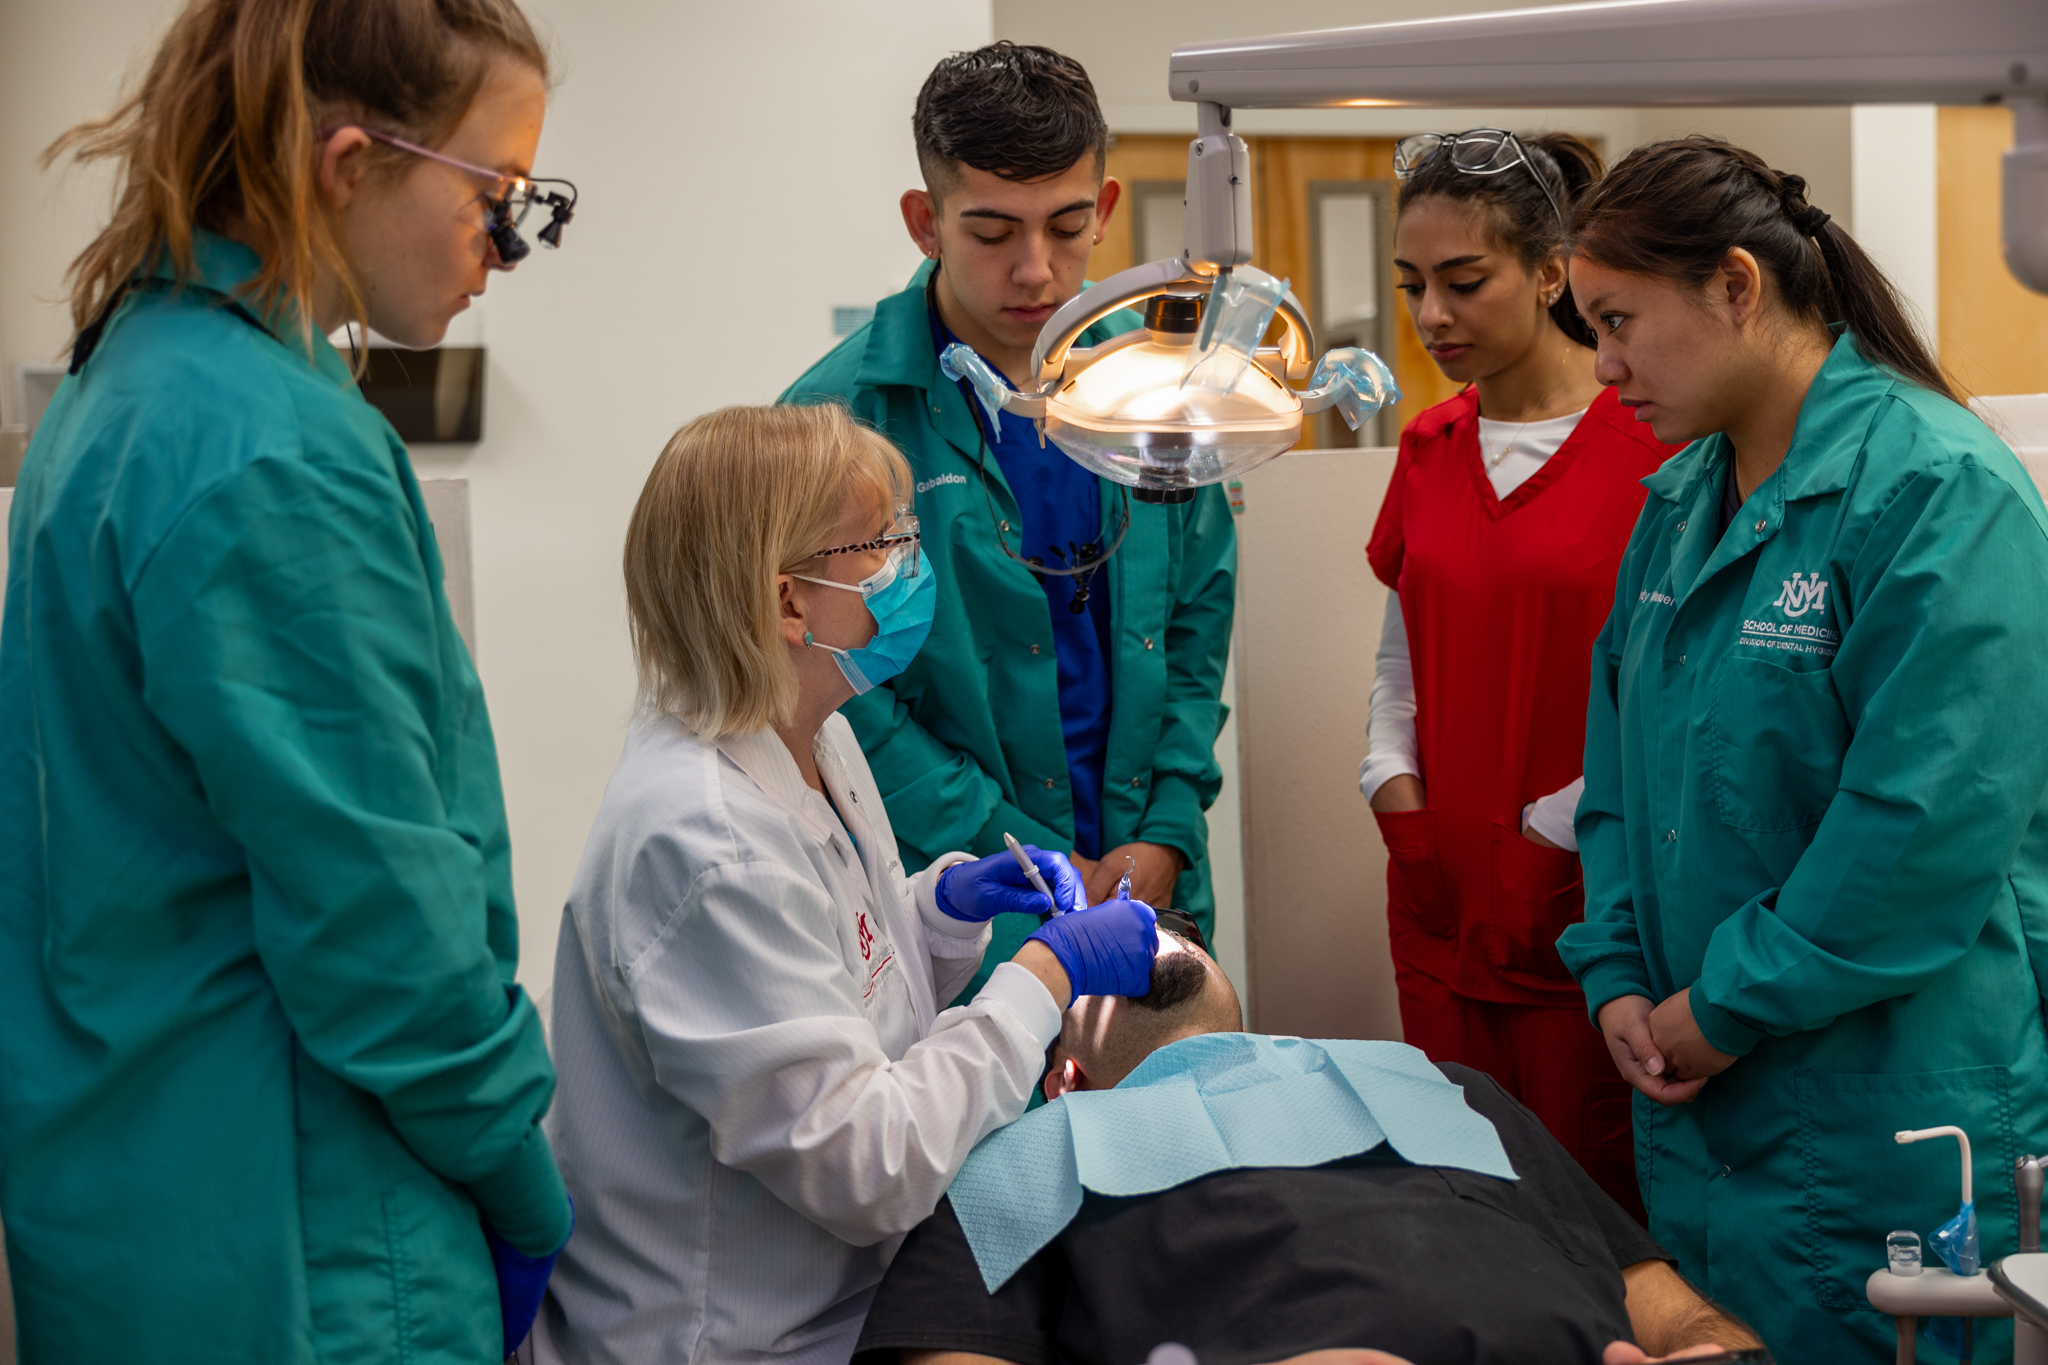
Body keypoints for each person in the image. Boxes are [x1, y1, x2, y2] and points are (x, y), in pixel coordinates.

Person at [0, 1, 578, 1360]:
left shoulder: (122, 387)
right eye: (494, 196)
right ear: (349, 164)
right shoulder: (276, 452)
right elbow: (382, 930)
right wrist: (525, 1183)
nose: (503, 248)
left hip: (141, 1206)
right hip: (310, 1237)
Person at [531, 403, 1163, 1365]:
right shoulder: (703, 836)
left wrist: (942, 912)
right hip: (733, 1334)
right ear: (789, 601)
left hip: (836, 1290)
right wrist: (1044, 974)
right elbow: (871, 1161)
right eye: (887, 543)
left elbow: (823, 976)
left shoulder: (810, 725)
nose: (917, 564)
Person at [1557, 135, 2048, 1361]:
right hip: (1703, 1108)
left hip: (1887, 1107)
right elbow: (1615, 785)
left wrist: (1719, 1008)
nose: (1604, 367)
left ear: (1735, 284)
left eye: (1618, 321)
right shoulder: (1677, 506)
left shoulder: (1939, 491)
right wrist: (1614, 972)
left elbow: (1917, 828)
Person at [781, 42, 1236, 998]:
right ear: (925, 222)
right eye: (992, 233)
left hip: (1141, 872)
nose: (1037, 270)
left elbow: (1195, 626)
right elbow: (838, 689)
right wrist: (1007, 851)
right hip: (953, 891)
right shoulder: (833, 425)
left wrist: (1164, 829)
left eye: (1068, 226)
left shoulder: (1155, 396)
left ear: (1106, 209)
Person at [852, 935, 1766, 1365]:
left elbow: (1669, 1308)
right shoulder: (1024, 1149)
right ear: (1068, 1075)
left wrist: (1717, 1355)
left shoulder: (1439, 1081)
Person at [1362, 129, 1683, 1220]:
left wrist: (1550, 834)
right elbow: (1402, 653)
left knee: (1594, 1205)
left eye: (1462, 282)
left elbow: (1668, 694)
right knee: (1468, 1196)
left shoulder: (1652, 454)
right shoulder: (1427, 446)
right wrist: (1388, 788)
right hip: (1442, 887)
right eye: (1410, 286)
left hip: (1583, 895)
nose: (1431, 317)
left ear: (1551, 272)